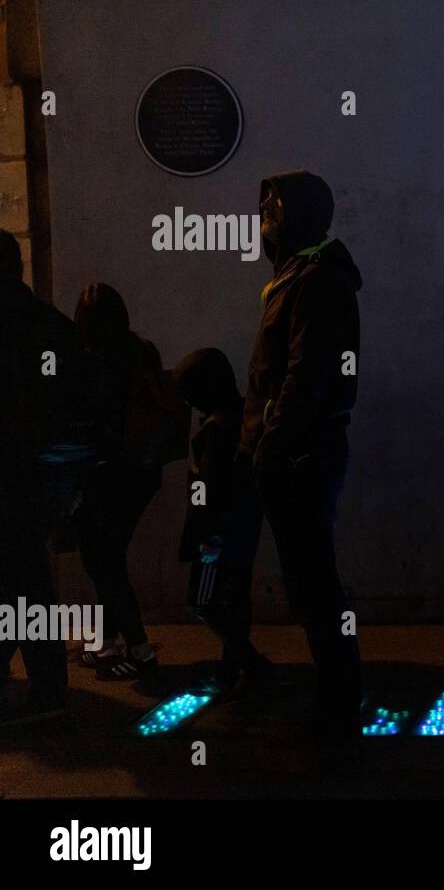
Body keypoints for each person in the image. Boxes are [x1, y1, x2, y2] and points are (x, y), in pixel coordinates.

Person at [241, 170, 363, 743]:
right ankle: (338, 695)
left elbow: (304, 377)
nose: (266, 207)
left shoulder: (316, 280)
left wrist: (272, 445)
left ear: (306, 211)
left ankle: (340, 703)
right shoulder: (297, 274)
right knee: (310, 581)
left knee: (315, 583)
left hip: (299, 455)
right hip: (291, 452)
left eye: (278, 201)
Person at [0, 231, 92, 724]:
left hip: (11, 477)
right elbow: (77, 406)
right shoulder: (51, 324)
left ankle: (44, 691)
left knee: (16, 584)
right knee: (29, 582)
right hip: (41, 481)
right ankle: (50, 688)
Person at [73, 282, 172, 680]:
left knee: (103, 561)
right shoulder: (142, 351)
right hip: (143, 471)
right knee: (108, 557)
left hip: (105, 475)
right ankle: (110, 640)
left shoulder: (93, 362)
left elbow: (88, 423)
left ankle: (140, 649)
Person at [175, 348, 270, 693]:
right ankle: (232, 669)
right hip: (242, 528)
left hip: (214, 537)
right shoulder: (246, 416)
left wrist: (203, 535)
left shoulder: (215, 431)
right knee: (235, 600)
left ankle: (249, 662)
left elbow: (208, 491)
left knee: (203, 602)